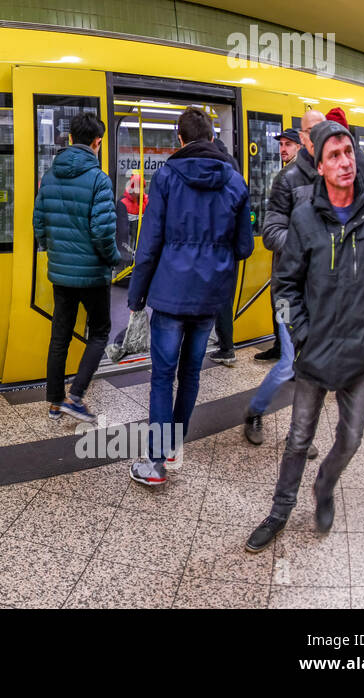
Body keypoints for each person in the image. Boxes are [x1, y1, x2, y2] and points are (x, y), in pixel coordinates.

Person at [246, 119, 364, 552]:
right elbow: (286, 286)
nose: (344, 162)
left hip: (361, 352)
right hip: (315, 351)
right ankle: (279, 511)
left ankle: (325, 487)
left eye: (348, 152)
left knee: (351, 438)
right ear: (318, 166)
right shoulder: (303, 217)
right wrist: (299, 336)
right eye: (333, 155)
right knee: (299, 438)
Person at [127, 106, 253, 486]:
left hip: (168, 296)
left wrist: (136, 297)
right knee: (191, 372)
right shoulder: (235, 182)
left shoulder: (165, 178)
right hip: (209, 297)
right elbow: (244, 246)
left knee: (162, 376)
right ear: (212, 137)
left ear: (179, 139)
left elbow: (148, 245)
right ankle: (172, 446)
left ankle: (154, 463)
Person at [243, 110, 325, 447]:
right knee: (290, 362)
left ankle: (300, 433)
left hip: (322, 290)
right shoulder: (287, 179)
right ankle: (255, 411)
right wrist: (308, 243)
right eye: (314, 131)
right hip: (290, 291)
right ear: (306, 137)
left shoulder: (333, 175)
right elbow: (271, 233)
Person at [33, 110, 120, 422]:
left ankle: (55, 403)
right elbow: (102, 232)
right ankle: (77, 395)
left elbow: (39, 223)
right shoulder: (99, 180)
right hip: (93, 276)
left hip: (61, 273)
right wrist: (113, 259)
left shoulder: (50, 175)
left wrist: (52, 250)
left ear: (70, 139)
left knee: (60, 335)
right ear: (97, 143)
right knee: (99, 332)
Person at [251, 130, 300, 363]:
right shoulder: (289, 171)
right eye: (281, 144)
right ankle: (282, 346)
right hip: (288, 250)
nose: (283, 148)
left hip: (290, 253)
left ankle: (287, 350)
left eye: (289, 144)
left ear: (300, 146)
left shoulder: (292, 174)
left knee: (284, 301)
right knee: (281, 300)